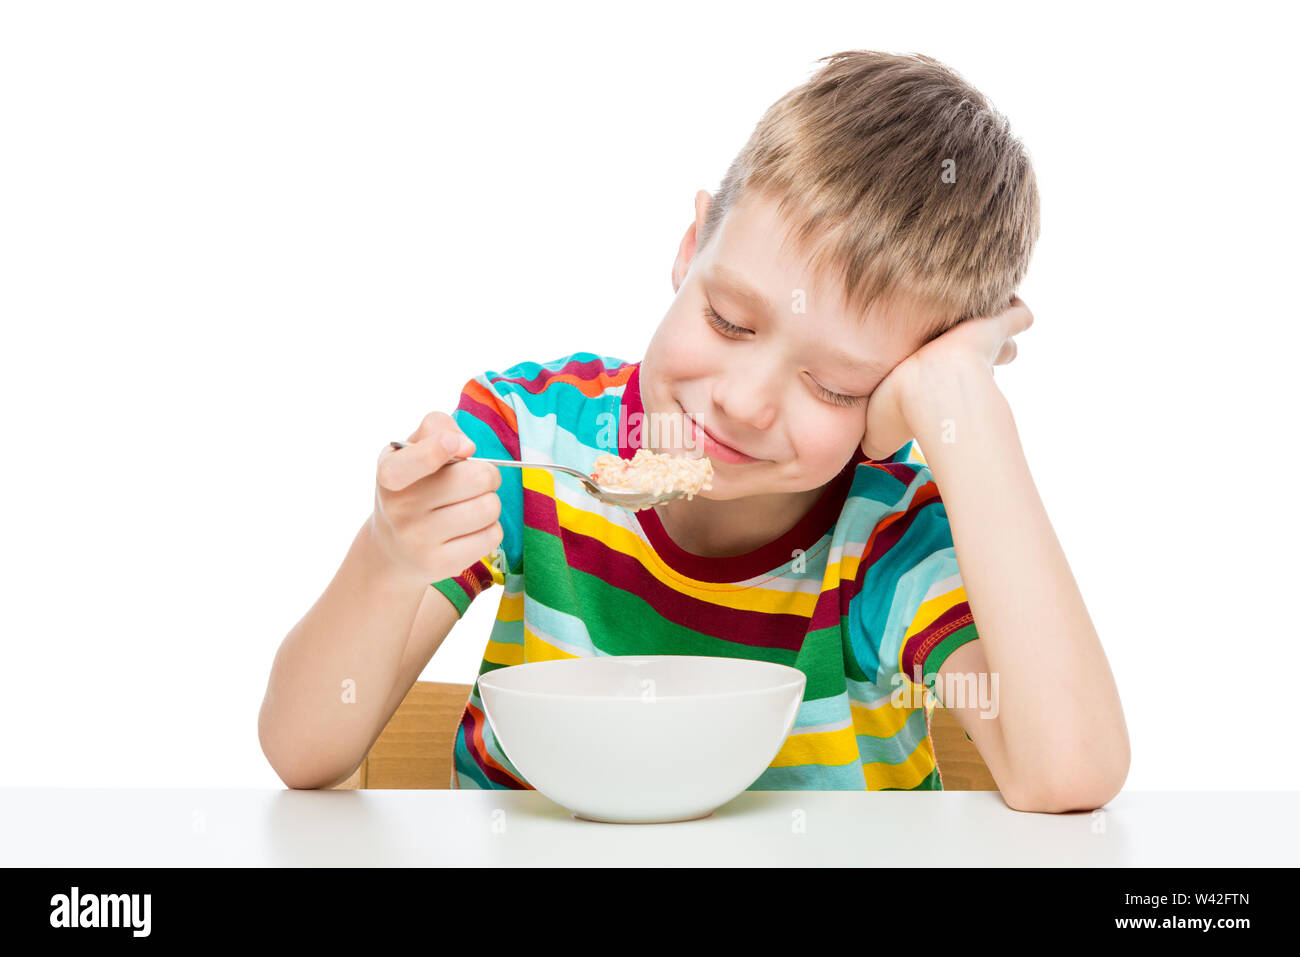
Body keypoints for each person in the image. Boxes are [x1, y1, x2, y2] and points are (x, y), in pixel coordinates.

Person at [259, 50, 1129, 811]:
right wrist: (387, 556)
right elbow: (303, 751)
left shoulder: (885, 538)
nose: (746, 402)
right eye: (727, 320)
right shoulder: (531, 440)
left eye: (831, 384)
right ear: (689, 247)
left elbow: (1070, 773)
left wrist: (960, 403)